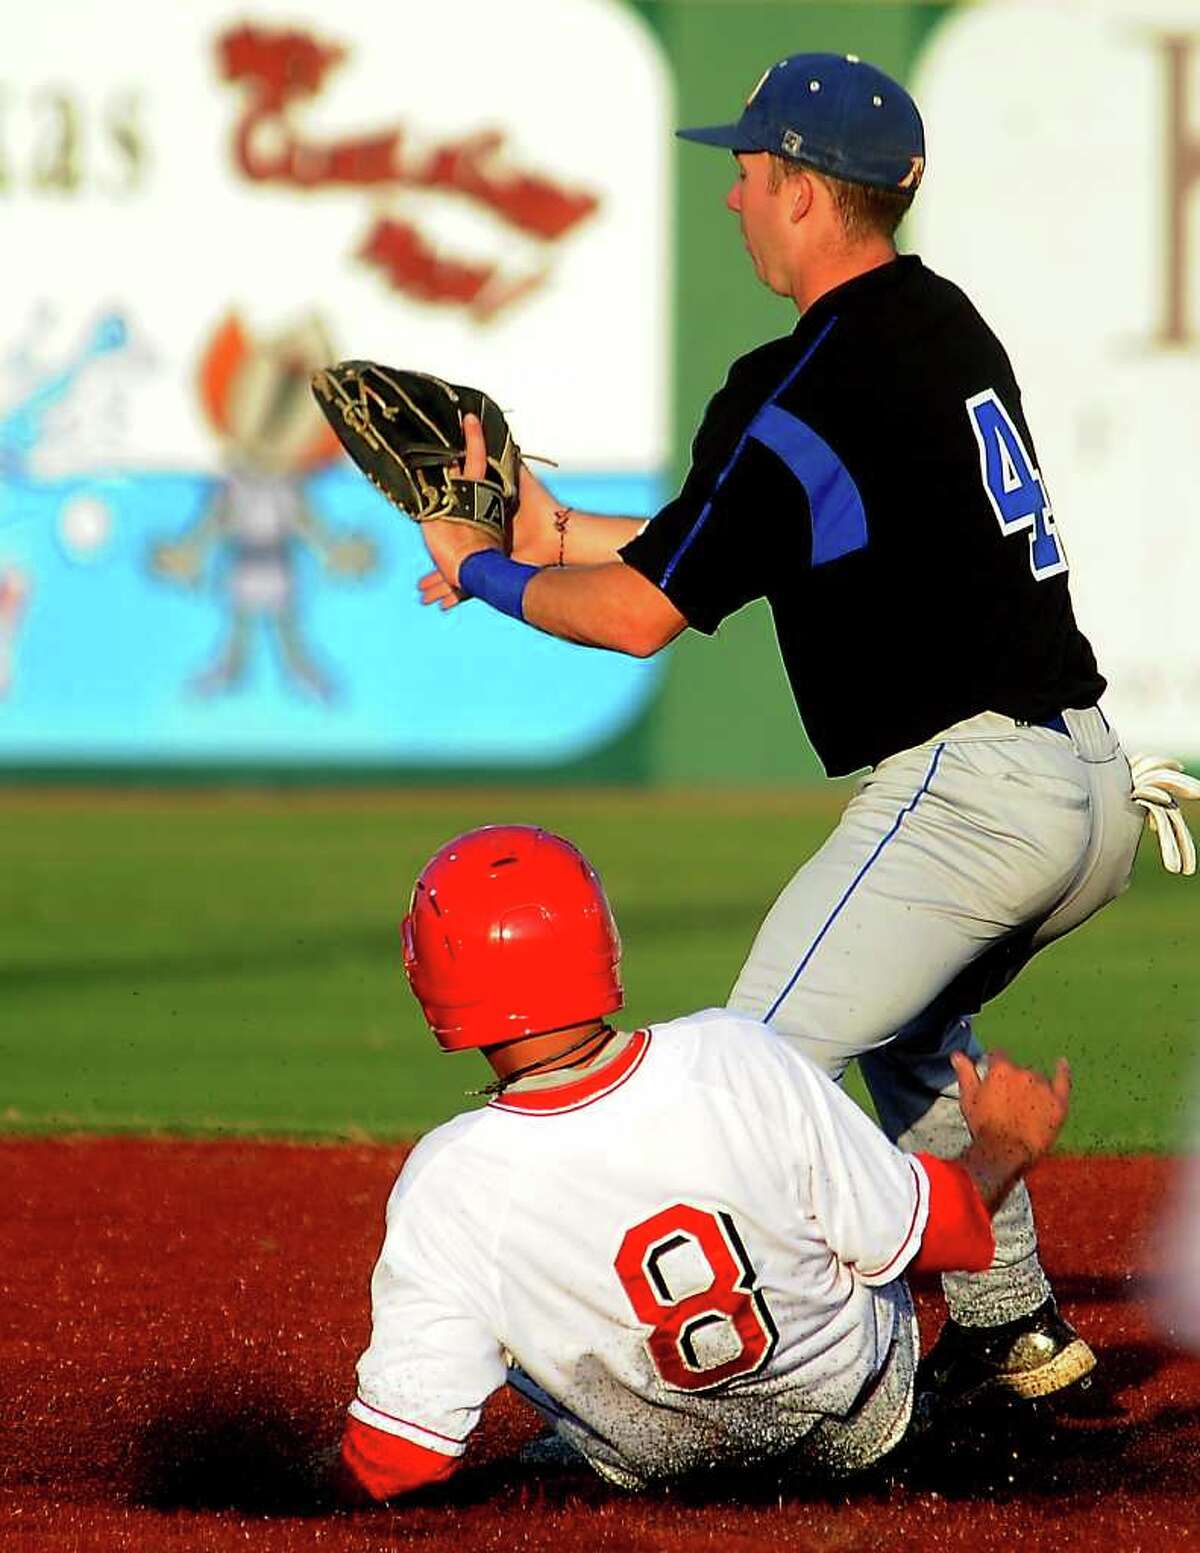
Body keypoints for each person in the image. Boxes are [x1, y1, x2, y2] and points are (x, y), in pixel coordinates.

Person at [412, 53, 1162, 1406]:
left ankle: (807, 1395)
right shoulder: (935, 325)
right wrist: (539, 533)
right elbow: (701, 550)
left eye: (748, 174)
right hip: (1089, 780)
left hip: (972, 794)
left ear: (806, 194)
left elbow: (644, 617)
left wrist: (481, 572)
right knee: (908, 1032)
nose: (734, 202)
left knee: (740, 1088)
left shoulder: (795, 384)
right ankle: (1015, 1335)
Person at [334, 825, 1073, 1503]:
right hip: (867, 1432)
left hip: (664, 1475)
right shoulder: (734, 1055)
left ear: (431, 975)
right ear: (599, 939)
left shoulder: (450, 1179)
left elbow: (398, 1457)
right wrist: (1006, 1143)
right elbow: (941, 1229)